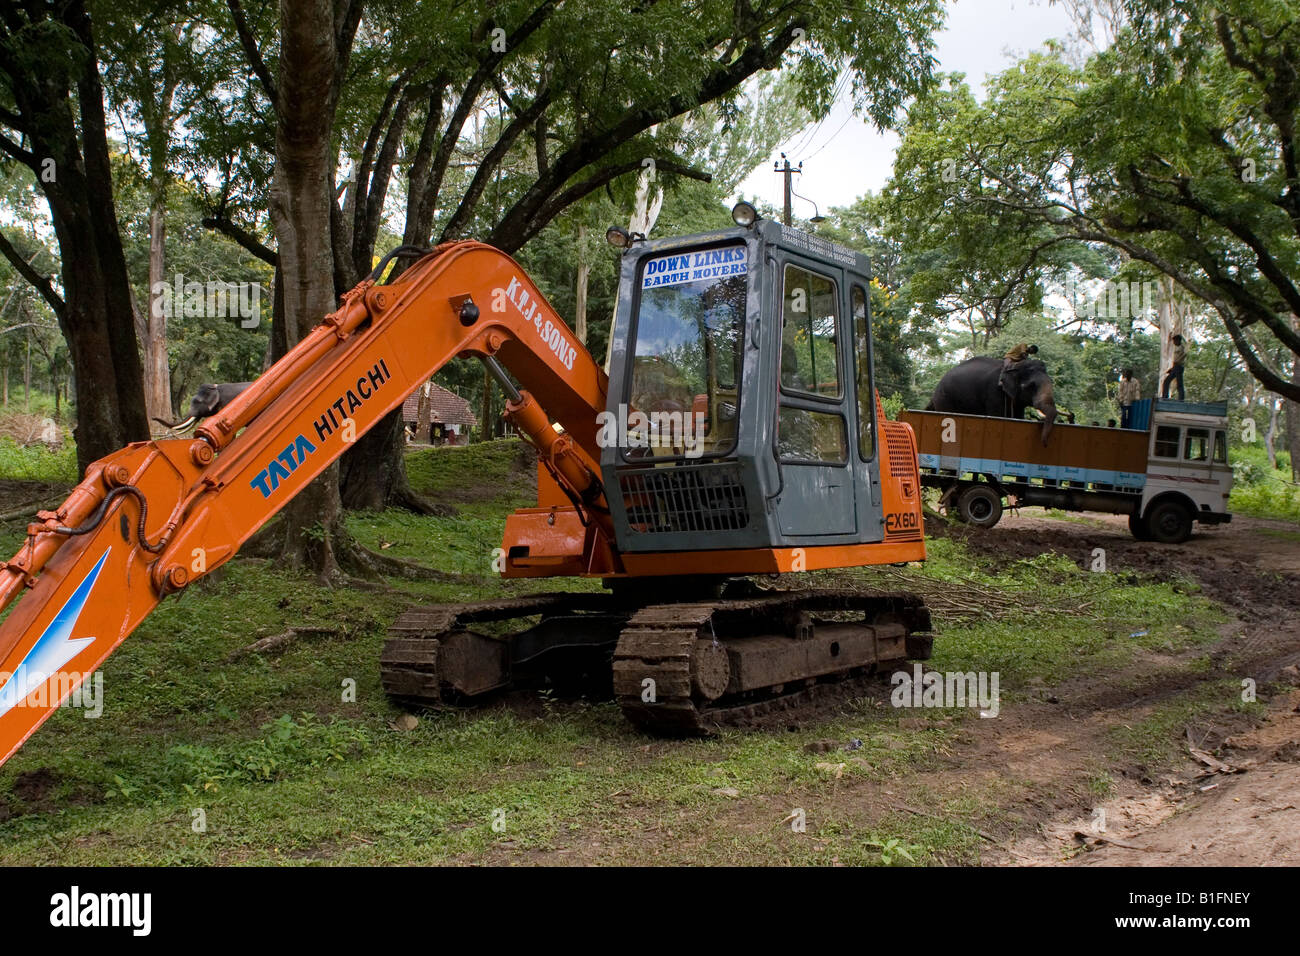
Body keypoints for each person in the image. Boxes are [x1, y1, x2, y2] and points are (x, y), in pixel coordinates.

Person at [1161, 335, 1187, 401]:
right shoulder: (1177, 347)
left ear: (1178, 340)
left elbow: (1182, 357)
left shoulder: (1182, 348)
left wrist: (1176, 364)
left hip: (1179, 367)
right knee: (1166, 381)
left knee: (1179, 383)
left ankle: (1181, 398)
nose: (1174, 342)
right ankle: (1165, 396)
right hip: (1175, 367)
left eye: (1174, 341)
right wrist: (1172, 368)